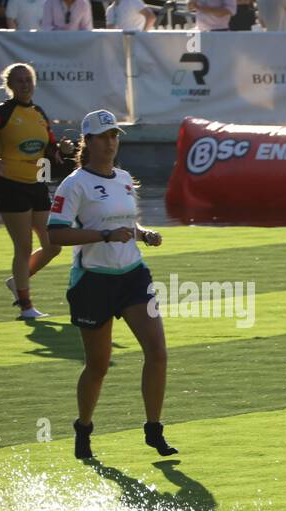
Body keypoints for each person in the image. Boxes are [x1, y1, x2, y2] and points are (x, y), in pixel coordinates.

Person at [46, 110, 176, 461]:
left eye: (115, 134)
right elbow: (56, 233)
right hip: (94, 283)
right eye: (104, 136)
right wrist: (103, 235)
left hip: (133, 276)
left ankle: (154, 430)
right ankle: (84, 427)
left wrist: (143, 233)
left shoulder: (123, 178)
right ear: (88, 142)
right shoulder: (74, 184)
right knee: (98, 366)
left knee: (158, 352)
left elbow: (125, 221)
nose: (111, 141)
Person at [0, 64, 72, 321]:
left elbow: (50, 149)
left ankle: (17, 280)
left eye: (28, 79)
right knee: (24, 246)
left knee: (54, 245)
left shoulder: (39, 113)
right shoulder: (3, 113)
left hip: (38, 183)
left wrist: (62, 148)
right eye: (19, 80)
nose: (25, 84)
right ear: (10, 85)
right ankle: (26, 305)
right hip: (11, 185)